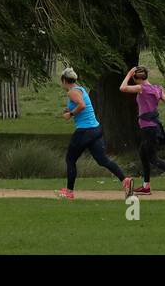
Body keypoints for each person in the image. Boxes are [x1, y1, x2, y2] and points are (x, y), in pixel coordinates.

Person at [56, 67, 133, 199]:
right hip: (96, 129)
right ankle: (125, 180)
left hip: (84, 131)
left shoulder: (72, 92)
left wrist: (71, 114)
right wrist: (68, 109)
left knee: (70, 159)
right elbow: (81, 104)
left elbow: (82, 105)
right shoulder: (81, 89)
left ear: (64, 80)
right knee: (102, 160)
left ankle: (69, 192)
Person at [120, 65, 165, 194]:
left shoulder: (141, 88)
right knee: (143, 153)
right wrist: (162, 95)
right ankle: (146, 186)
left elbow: (122, 88)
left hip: (149, 128)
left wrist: (129, 74)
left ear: (137, 79)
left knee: (152, 158)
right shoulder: (156, 88)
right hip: (152, 127)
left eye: (134, 78)